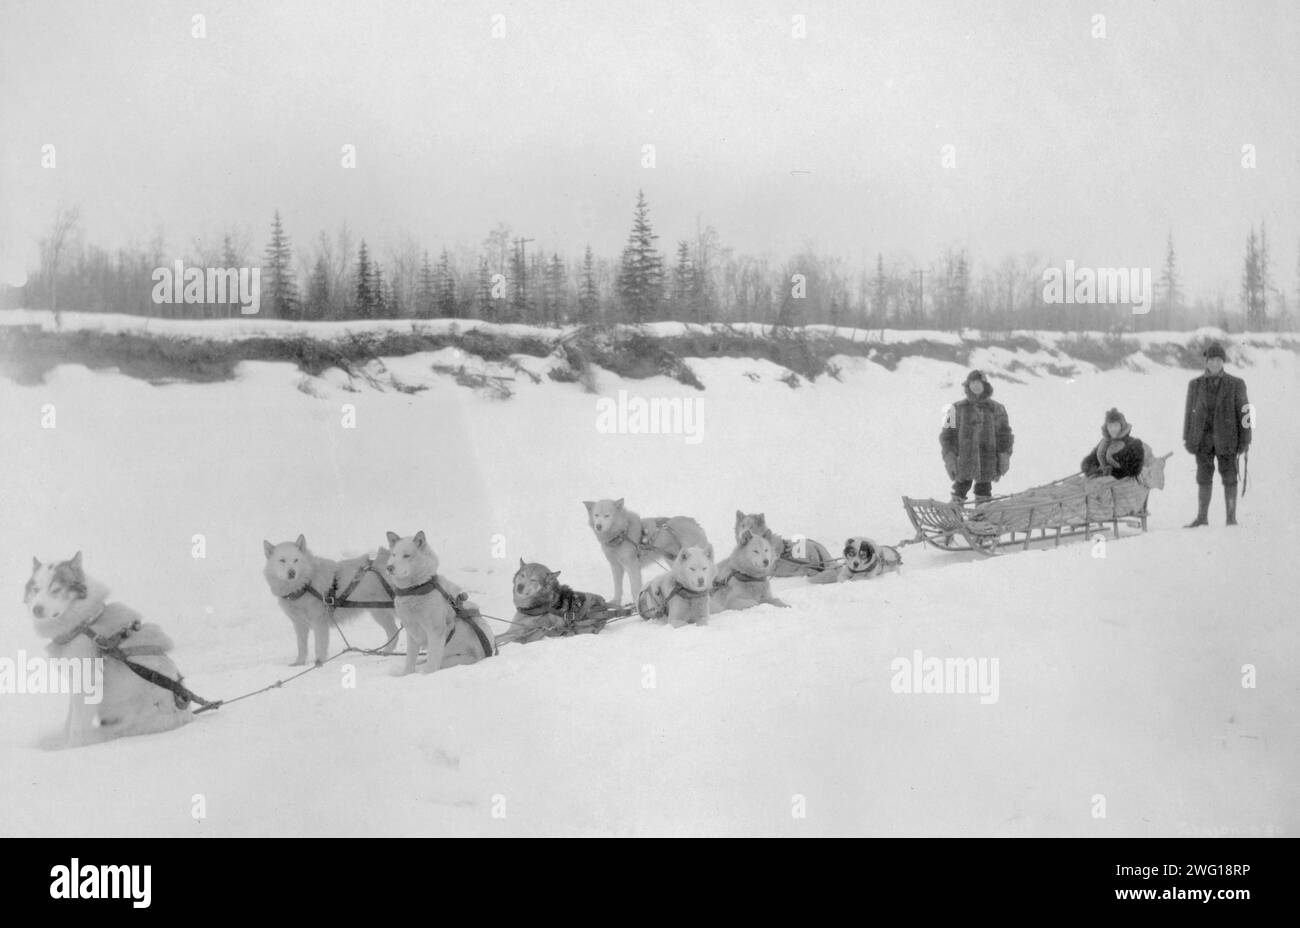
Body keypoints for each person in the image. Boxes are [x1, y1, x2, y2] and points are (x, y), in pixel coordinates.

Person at [1182, 342, 1252, 527]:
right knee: (1203, 477)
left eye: (1218, 360)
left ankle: (1231, 518)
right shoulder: (1195, 384)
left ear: (1223, 362)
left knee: (1229, 477)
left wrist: (1246, 439)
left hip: (1227, 439)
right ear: (1206, 361)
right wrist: (1187, 438)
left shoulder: (1236, 384)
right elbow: (1189, 413)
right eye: (1211, 360)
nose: (1214, 363)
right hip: (1202, 440)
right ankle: (1202, 518)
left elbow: (1246, 412)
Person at [941, 369, 1014, 504]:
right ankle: (954, 511)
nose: (975, 385)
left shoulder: (997, 408)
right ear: (967, 385)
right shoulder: (955, 408)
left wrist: (1003, 456)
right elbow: (947, 436)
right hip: (964, 460)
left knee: (984, 489)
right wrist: (950, 457)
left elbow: (1004, 435)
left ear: (985, 385)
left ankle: (982, 514)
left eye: (978, 382)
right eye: (972, 382)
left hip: (988, 460)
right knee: (960, 488)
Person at [1081, 408, 1145, 480]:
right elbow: (1090, 460)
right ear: (1106, 427)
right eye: (1110, 426)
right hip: (1102, 478)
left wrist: (1112, 470)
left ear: (1122, 426)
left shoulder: (1131, 443)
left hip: (1122, 481)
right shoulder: (1104, 442)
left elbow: (1133, 468)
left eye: (1116, 425)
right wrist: (1094, 469)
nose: (1113, 429)